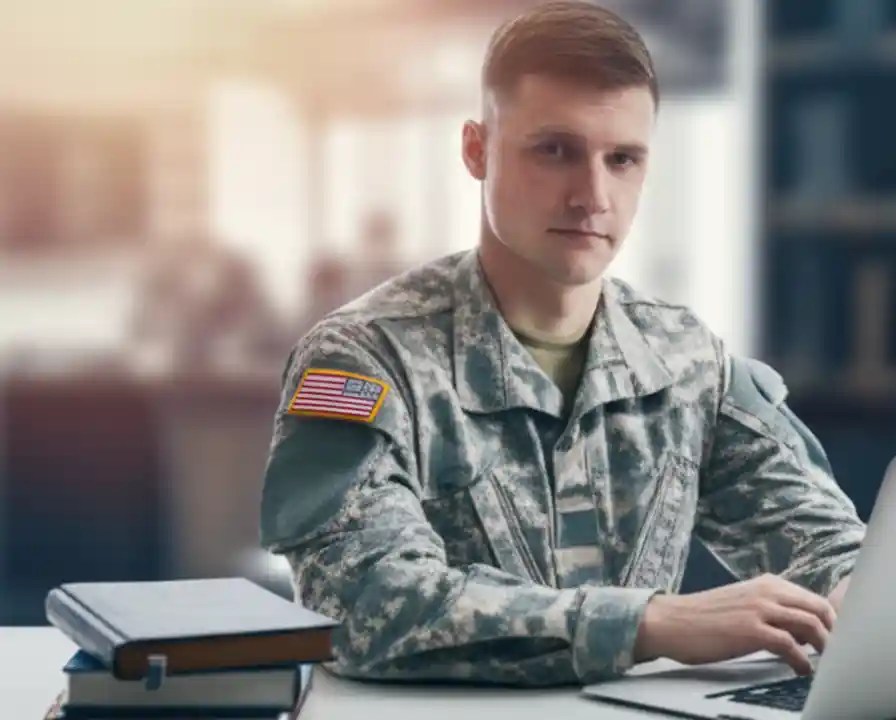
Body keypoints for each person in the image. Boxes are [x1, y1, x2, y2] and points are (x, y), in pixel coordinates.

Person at [259, 1, 865, 687]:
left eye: (623, 159)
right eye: (555, 151)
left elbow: (827, 540)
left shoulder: (684, 357)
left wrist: (857, 599)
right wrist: (650, 624)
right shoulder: (362, 359)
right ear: (476, 150)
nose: (593, 195)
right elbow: (363, 604)